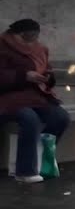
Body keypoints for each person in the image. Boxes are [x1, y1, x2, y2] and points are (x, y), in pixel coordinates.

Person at [0, 19, 70, 183]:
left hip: (35, 95)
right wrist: (24, 76)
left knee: (61, 118)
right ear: (15, 35)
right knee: (30, 119)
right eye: (26, 36)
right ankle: (25, 170)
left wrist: (48, 78)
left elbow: (47, 68)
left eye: (34, 36)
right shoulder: (2, 47)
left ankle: (42, 159)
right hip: (7, 96)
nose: (30, 41)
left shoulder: (39, 49)